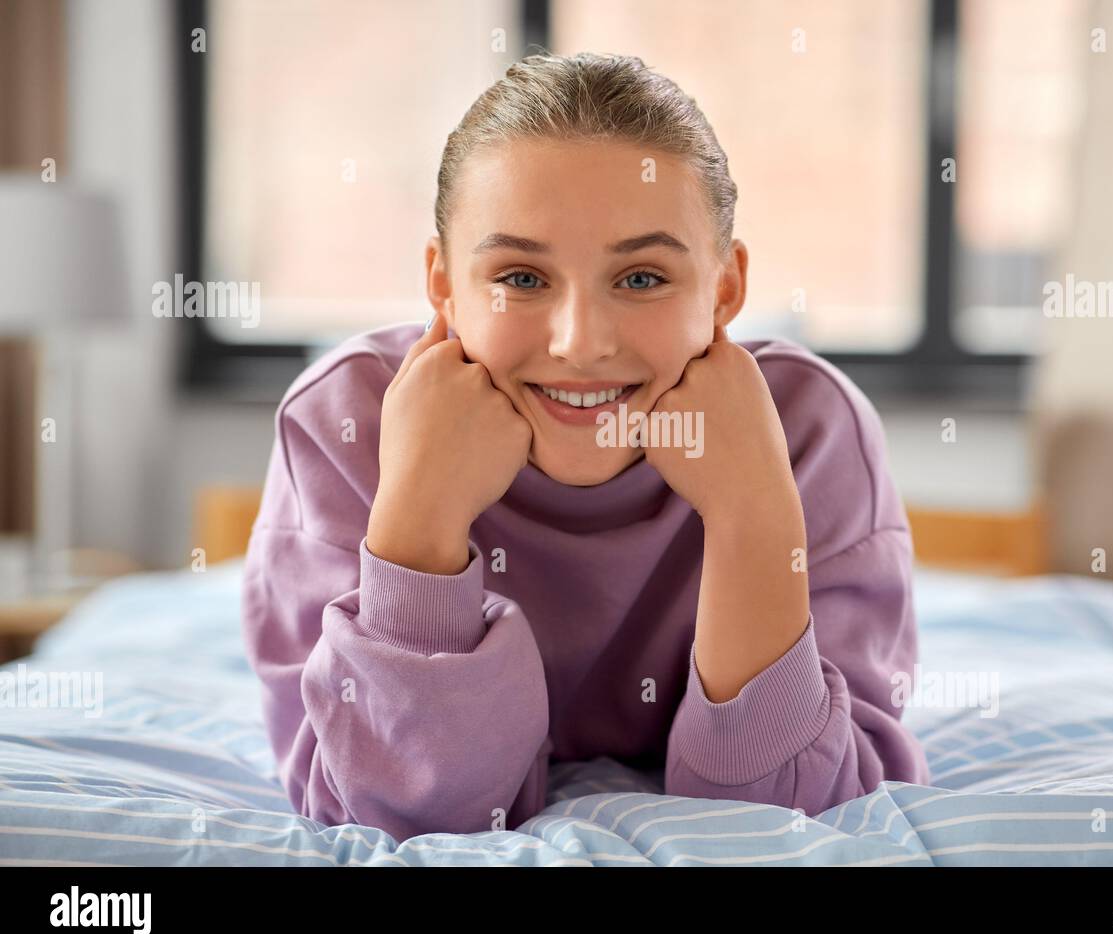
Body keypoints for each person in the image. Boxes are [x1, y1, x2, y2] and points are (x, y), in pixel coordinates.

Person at [241, 51, 930, 843]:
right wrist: (419, 521)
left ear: (726, 289)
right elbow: (386, 813)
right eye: (522, 278)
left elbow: (798, 816)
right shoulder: (346, 423)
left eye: (641, 279)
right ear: (442, 285)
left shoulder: (810, 428)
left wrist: (753, 514)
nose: (580, 344)